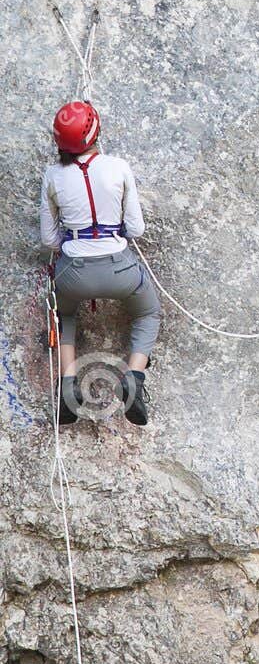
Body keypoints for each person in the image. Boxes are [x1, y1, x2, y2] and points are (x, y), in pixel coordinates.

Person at [41, 101, 160, 427]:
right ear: (96, 132)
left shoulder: (53, 175)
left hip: (73, 271)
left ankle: (68, 383)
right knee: (148, 312)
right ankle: (134, 375)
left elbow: (49, 239)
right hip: (119, 267)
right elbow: (136, 229)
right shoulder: (118, 167)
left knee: (63, 312)